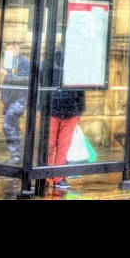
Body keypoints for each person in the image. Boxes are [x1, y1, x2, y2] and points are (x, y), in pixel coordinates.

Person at [46, 49, 85, 190]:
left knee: (63, 146)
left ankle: (57, 176)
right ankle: (47, 175)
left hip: (68, 111)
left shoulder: (74, 67)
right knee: (51, 145)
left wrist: (79, 111)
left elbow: (81, 92)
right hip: (54, 111)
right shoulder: (50, 66)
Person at [0, 42, 30, 163]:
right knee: (14, 127)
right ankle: (17, 155)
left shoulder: (24, 63)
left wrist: (8, 75)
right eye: (6, 51)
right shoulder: (9, 62)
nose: (7, 53)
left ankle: (16, 154)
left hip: (19, 100)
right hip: (10, 100)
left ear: (16, 49)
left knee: (7, 125)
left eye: (10, 50)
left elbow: (26, 80)